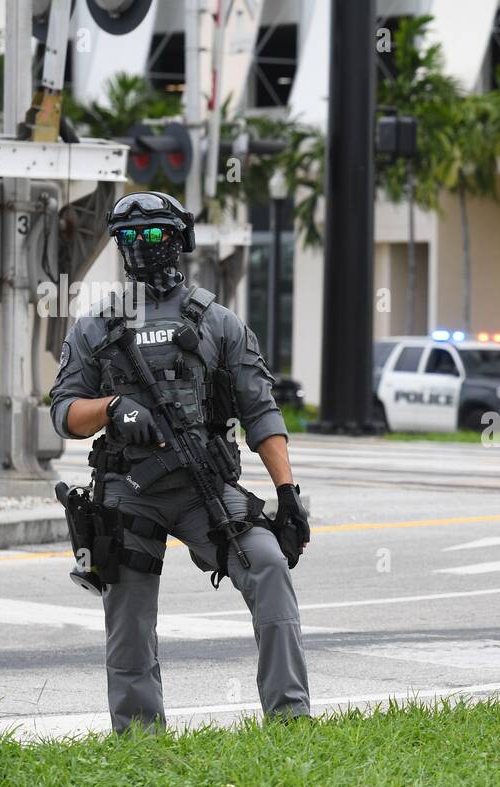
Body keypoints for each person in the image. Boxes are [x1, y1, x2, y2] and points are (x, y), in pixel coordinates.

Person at [50, 190, 312, 732]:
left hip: (205, 490)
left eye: (153, 234)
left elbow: (261, 412)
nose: (142, 247)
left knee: (266, 566)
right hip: (129, 490)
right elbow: (64, 414)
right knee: (128, 616)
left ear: (179, 239)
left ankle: (290, 721)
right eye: (128, 237)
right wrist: (112, 407)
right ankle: (140, 741)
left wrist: (287, 495)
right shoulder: (96, 326)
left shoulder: (217, 322)